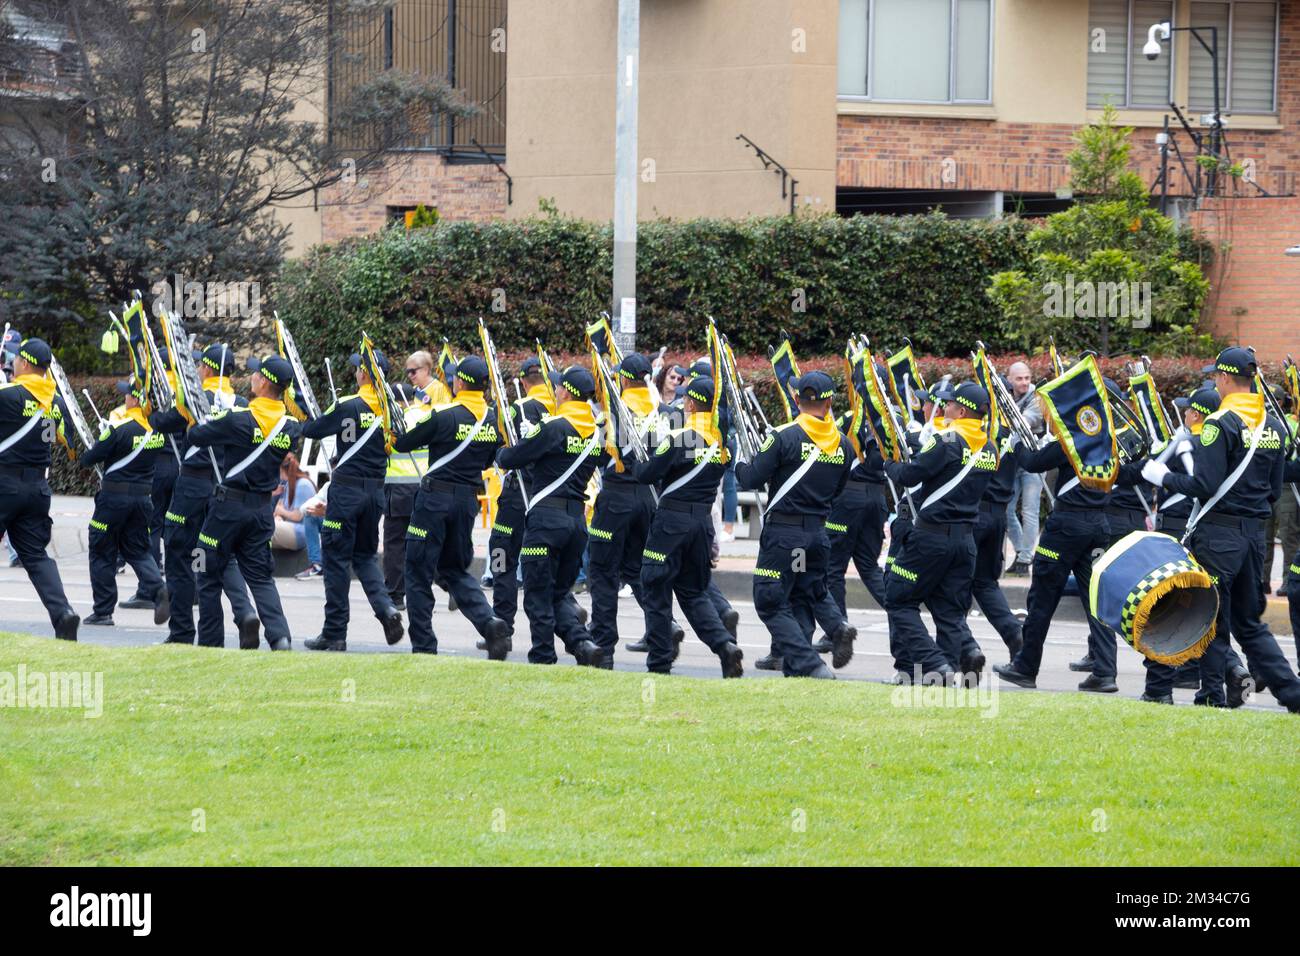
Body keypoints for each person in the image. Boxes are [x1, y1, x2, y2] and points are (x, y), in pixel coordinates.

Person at [1140, 347, 1300, 713]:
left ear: (1226, 379)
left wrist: (1163, 476)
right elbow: (1275, 490)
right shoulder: (1273, 425)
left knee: (1210, 616)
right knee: (1249, 623)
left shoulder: (1219, 424)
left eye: (1216, 376)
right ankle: (1292, 693)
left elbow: (1204, 484)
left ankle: (1211, 695)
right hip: (1254, 536)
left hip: (1218, 534)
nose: (1215, 381)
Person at [736, 370, 853, 679]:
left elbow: (750, 478)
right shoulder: (843, 444)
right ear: (829, 403)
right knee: (804, 592)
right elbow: (838, 490)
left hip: (784, 536)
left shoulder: (783, 435)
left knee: (769, 600)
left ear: (796, 398)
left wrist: (738, 460)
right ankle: (831, 632)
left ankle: (811, 664)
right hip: (815, 534)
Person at [391, 355, 509, 657]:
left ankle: (424, 646)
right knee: (454, 570)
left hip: (434, 500)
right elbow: (488, 460)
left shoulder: (445, 414)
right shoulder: (493, 419)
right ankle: (490, 622)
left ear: (459, 382)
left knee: (417, 571)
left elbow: (402, 443)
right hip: (466, 501)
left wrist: (394, 426)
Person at [882, 382, 998, 684]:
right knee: (947, 608)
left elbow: (911, 474)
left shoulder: (946, 440)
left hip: (932, 537)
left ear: (961, 410)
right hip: (965, 540)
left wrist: (890, 464)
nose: (943, 408)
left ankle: (936, 665)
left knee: (898, 599)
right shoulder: (989, 447)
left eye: (948, 405)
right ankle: (967, 648)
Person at [993, 402, 1114, 693]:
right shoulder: (1106, 439)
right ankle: (1106, 671)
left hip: (1066, 527)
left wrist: (1018, 443)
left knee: (1042, 598)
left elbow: (1034, 462)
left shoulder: (1073, 438)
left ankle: (1026, 667)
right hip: (1098, 525)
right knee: (1097, 601)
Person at [187, 355, 302, 651]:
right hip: (262, 511)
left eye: (255, 374)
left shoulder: (238, 419)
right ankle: (280, 636)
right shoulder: (290, 427)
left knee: (204, 565)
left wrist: (195, 415)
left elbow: (197, 435)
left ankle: (211, 641)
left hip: (227, 508)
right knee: (261, 577)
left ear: (263, 382)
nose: (251, 377)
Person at [148, 344, 261, 647]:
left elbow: (160, 423)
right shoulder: (241, 403)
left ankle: (183, 632)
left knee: (180, 557)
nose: (196, 370)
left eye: (200, 366)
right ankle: (244, 612)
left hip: (191, 489)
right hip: (223, 489)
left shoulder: (194, 399)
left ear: (208, 369)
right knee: (220, 558)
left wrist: (152, 400)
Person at [496, 365, 607, 667]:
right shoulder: (596, 434)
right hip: (576, 523)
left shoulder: (556, 426)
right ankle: (582, 643)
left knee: (537, 595)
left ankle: (543, 656)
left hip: (546, 520)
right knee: (558, 594)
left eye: (558, 387)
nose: (555, 391)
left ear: (567, 392)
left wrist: (502, 449)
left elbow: (514, 457)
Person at [633, 376, 743, 677]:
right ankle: (724, 646)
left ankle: (658, 663)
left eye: (685, 399)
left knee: (655, 590)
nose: (682, 402)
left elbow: (645, 474)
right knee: (694, 594)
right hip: (701, 525)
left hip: (671, 523)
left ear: (692, 403)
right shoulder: (723, 442)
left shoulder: (680, 436)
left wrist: (635, 455)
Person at [302, 349, 405, 651]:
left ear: (363, 373)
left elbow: (312, 429)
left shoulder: (348, 404)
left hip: (346, 491)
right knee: (364, 557)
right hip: (374, 492)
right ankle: (386, 609)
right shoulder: (391, 410)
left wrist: (301, 408)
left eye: (356, 369)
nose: (354, 372)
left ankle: (334, 632)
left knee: (335, 560)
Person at [1140, 387, 1218, 703]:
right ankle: (1226, 672)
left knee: (1166, 607)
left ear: (1196, 414)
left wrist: (1160, 468)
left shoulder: (1187, 443)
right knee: (1210, 612)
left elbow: (1155, 476)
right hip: (1214, 533)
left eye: (1187, 409)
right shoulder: (1222, 443)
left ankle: (1158, 689)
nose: (1184, 413)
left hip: (1180, 529)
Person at [0, 338, 79, 640]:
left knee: (33, 555)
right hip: (37, 488)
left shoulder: (8, 395)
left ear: (24, 363)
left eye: (15, 360)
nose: (13, 364)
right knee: (35, 556)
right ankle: (63, 614)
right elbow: (67, 442)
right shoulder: (55, 402)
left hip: (4, 483)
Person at [585, 352, 660, 667]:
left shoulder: (611, 414)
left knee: (603, 573)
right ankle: (662, 629)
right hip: (648, 499)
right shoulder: (666, 413)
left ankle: (604, 647)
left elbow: (597, 456)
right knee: (638, 570)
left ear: (625, 379)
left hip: (616, 497)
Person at [78, 378, 168, 627]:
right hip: (142, 500)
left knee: (101, 550)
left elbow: (89, 458)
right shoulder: (158, 431)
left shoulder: (120, 428)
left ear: (135, 398)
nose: (124, 398)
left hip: (113, 500)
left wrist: (103, 435)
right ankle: (159, 590)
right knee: (137, 550)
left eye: (128, 394)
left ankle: (103, 610)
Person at [382, 351, 439, 608]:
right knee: (423, 540)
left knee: (395, 544)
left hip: (396, 491)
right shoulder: (427, 417)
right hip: (423, 487)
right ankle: (446, 581)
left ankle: (395, 594)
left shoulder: (393, 422)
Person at [968, 427, 1024, 662]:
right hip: (997, 514)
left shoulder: (973, 431)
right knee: (984, 583)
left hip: (974, 512)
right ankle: (1013, 634)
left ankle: (962, 647)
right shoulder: (1006, 430)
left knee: (956, 583)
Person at [1004, 362, 1046, 574]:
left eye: (1027, 378)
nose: (1024, 382)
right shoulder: (1005, 396)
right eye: (1019, 378)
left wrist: (1006, 413)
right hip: (1012, 459)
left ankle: (1026, 557)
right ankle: (1021, 551)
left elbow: (1026, 421)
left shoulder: (1037, 398)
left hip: (1034, 459)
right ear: (1009, 379)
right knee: (1005, 508)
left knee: (1030, 509)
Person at [272, 452, 320, 568]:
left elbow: (298, 516)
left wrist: (280, 511)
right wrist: (279, 515)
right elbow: (281, 508)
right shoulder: (289, 483)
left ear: (282, 469)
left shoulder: (303, 484)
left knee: (263, 527)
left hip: (301, 532)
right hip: (290, 528)